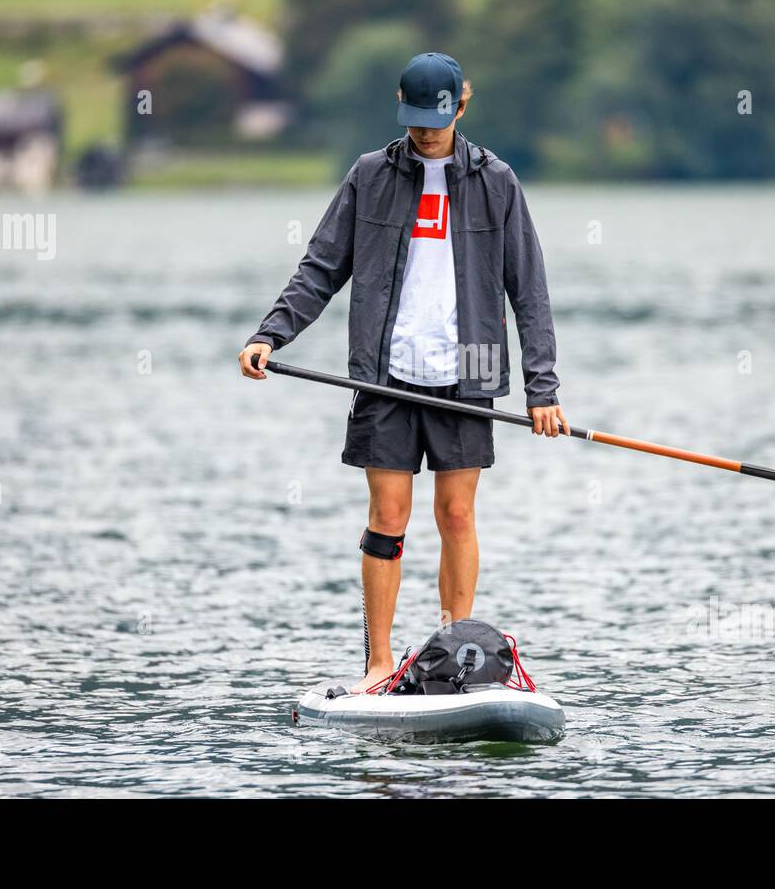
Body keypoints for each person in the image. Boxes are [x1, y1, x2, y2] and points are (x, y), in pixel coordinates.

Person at [239, 52, 567, 691]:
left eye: (436, 122)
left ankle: (458, 657)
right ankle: (380, 663)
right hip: (384, 376)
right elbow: (320, 268)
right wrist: (269, 334)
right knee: (388, 517)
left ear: (461, 108)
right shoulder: (369, 176)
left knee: (457, 516)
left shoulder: (497, 182)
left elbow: (530, 290)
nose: (424, 133)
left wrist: (543, 389)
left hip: (466, 374)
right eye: (414, 120)